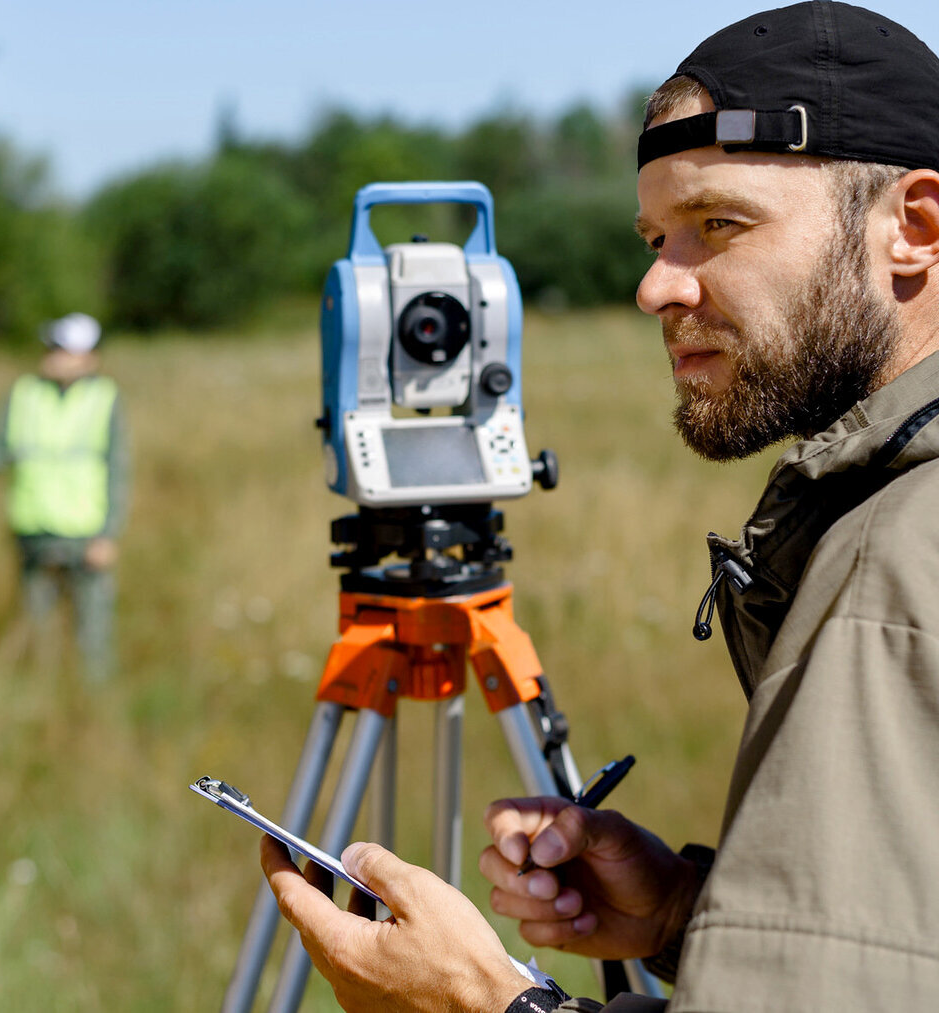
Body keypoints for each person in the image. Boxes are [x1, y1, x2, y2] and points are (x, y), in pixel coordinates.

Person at [259, 3, 939, 1009]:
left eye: (717, 225)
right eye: (655, 235)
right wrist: (687, 914)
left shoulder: (892, 556)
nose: (654, 285)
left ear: (912, 229)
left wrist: (491, 1003)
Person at [0, 312, 129, 683]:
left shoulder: (105, 400)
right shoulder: (25, 393)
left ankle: (96, 710)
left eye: (62, 349)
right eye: (51, 347)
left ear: (88, 358)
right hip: (33, 530)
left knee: (94, 637)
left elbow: (120, 470)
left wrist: (108, 534)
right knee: (38, 631)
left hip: (85, 533)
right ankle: (45, 703)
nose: (52, 355)